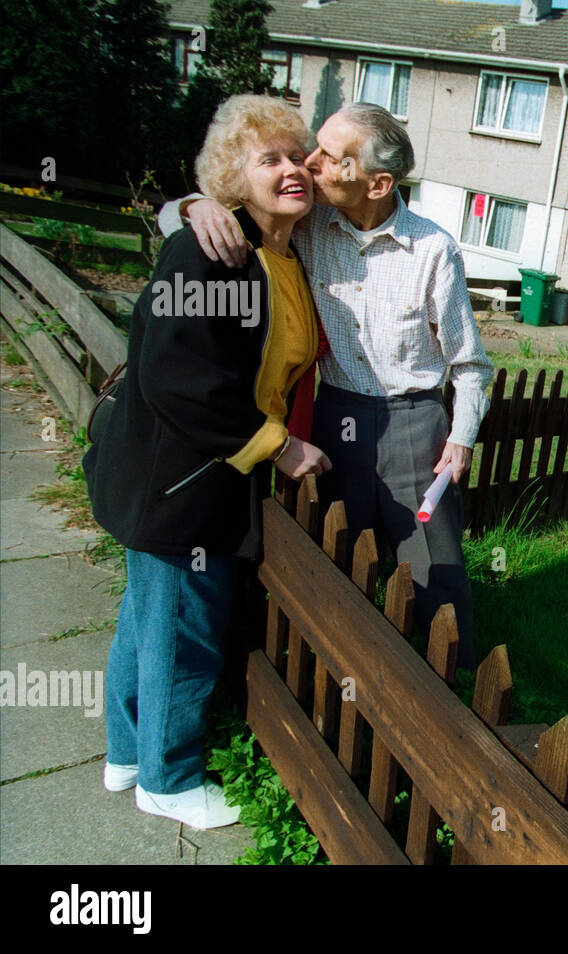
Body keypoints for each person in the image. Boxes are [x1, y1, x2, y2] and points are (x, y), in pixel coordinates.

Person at [161, 103, 493, 670]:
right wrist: (195, 206)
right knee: (341, 549)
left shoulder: (433, 250)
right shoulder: (309, 222)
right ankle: (347, 663)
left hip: (414, 422)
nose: (307, 163)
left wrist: (460, 439)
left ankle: (450, 679)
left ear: (377, 182)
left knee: (433, 560)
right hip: (334, 416)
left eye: (326, 157)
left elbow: (470, 365)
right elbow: (178, 220)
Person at [85, 94, 333, 829]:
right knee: (183, 631)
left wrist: (188, 203)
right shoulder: (211, 248)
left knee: (147, 621)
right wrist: (279, 447)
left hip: (192, 478)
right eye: (271, 159)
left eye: (297, 156)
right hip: (181, 483)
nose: (291, 170)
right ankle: (168, 779)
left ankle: (127, 755)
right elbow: (178, 376)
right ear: (235, 178)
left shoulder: (285, 252)